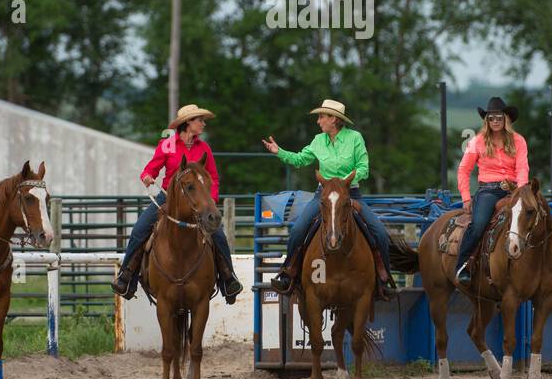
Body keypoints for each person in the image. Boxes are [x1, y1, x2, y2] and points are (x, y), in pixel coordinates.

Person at [263, 99, 397, 300]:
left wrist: (345, 182)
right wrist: (278, 152)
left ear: (333, 119)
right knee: (299, 229)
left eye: (321, 117)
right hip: (323, 195)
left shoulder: (355, 138)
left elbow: (363, 167)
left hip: (350, 194)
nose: (318, 121)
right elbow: (301, 159)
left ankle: (384, 277)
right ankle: (288, 272)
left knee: (378, 231)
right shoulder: (318, 140)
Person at [112, 105, 243, 303]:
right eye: (200, 120)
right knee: (139, 230)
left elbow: (213, 178)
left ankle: (228, 278)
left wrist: (209, 201)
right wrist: (147, 176)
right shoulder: (168, 145)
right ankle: (126, 277)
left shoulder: (204, 148)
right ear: (188, 123)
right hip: (169, 199)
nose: (203, 124)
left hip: (198, 201)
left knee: (218, 234)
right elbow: (151, 169)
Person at [454, 97, 529, 286]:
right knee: (478, 225)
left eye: (499, 117)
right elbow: (463, 170)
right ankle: (462, 265)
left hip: (514, 189)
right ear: (486, 121)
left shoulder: (518, 141)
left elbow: (522, 168)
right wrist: (466, 197)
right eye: (491, 118)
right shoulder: (478, 142)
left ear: (506, 119)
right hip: (488, 190)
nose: (495, 121)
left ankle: (550, 270)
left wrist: (521, 192)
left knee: (538, 216)